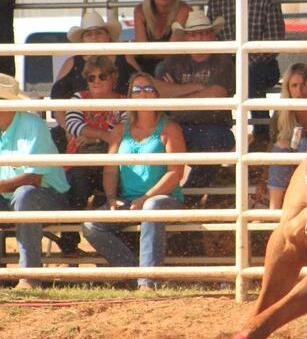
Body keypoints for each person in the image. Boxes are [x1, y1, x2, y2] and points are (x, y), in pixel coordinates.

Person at [83, 73, 186, 290]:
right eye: (137, 90)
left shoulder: (170, 128)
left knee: (152, 206)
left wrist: (146, 197)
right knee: (91, 224)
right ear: (129, 96)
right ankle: (132, 270)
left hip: (163, 199)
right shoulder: (121, 130)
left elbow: (174, 173)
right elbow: (110, 169)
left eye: (148, 88)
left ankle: (148, 281)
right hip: (128, 200)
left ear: (157, 95)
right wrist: (111, 198)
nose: (143, 94)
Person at [206, 0, 284, 143]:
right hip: (228, 64)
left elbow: (274, 40)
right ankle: (217, 134)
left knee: (251, 74)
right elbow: (212, 37)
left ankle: (261, 134)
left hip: (262, 64)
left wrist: (243, 60)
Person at [0, 74, 70, 289]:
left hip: (49, 196)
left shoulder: (33, 125)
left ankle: (29, 275)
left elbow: (34, 178)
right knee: (23, 196)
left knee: (26, 194)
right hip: (9, 195)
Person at [154, 9, 235, 187]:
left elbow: (217, 93)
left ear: (212, 36)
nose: (200, 38)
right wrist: (196, 88)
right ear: (186, 38)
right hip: (177, 127)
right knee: (154, 143)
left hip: (212, 127)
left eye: (205, 33)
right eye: (194, 34)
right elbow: (156, 89)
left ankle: (187, 197)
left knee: (218, 142)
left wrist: (174, 93)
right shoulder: (174, 60)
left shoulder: (223, 61)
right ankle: (166, 195)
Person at [60, 56, 126, 253]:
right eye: (91, 77)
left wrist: (93, 138)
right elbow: (72, 124)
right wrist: (103, 136)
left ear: (113, 77)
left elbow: (122, 130)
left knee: (106, 192)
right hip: (84, 162)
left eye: (102, 76)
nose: (96, 81)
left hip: (113, 163)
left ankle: (103, 245)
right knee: (78, 182)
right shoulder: (79, 97)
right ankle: (70, 240)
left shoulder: (124, 101)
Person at [50, 10, 140, 151]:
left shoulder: (124, 58)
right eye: (89, 34)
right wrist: (70, 130)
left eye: (99, 33)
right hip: (77, 129)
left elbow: (140, 86)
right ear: (82, 39)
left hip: (119, 127)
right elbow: (58, 103)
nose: (94, 37)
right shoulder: (71, 63)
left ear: (108, 36)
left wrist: (102, 136)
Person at [266, 63, 307, 209]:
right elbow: (272, 143)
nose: (299, 90)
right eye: (294, 85)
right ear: (287, 88)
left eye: (303, 85)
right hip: (290, 163)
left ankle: (304, 203)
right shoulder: (282, 113)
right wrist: (263, 180)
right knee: (282, 145)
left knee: (306, 144)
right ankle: (274, 208)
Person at [133, 0, 191, 75]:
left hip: (175, 66)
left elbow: (174, 52)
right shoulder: (140, 11)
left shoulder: (183, 9)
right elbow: (141, 50)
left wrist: (149, 51)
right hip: (145, 66)